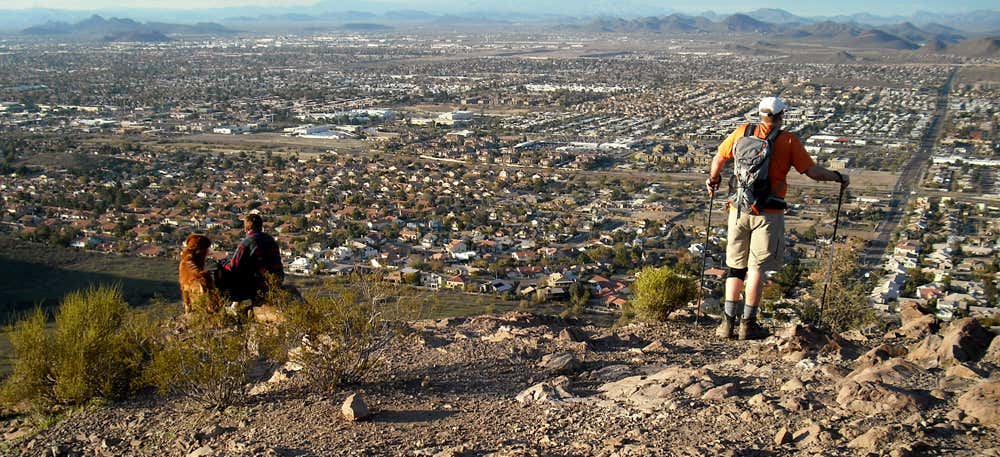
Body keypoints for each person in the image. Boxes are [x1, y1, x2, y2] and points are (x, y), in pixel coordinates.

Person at [705, 96, 849, 340]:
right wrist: (838, 177)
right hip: (768, 213)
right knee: (757, 268)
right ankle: (748, 324)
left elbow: (719, 159)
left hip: (738, 208)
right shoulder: (789, 140)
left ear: (760, 114)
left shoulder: (742, 131)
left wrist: (714, 180)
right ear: (782, 116)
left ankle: (727, 324)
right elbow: (813, 173)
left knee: (735, 267)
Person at [221, 213, 285, 307]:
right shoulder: (270, 239)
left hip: (259, 283)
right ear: (261, 226)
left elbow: (233, 267)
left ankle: (233, 305)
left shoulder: (248, 242)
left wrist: (223, 264)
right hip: (277, 279)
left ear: (246, 228)